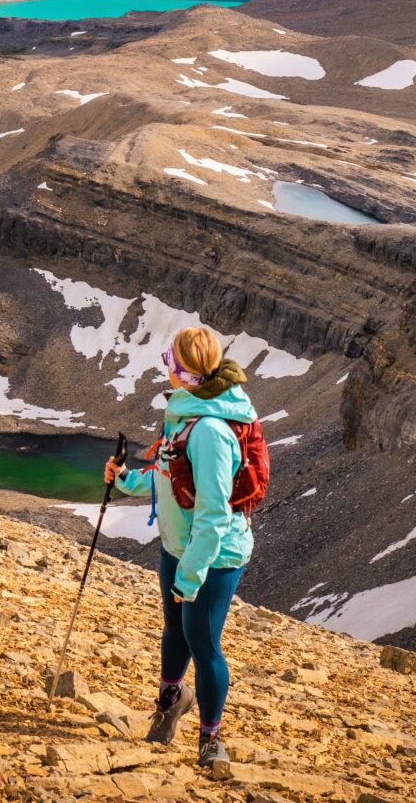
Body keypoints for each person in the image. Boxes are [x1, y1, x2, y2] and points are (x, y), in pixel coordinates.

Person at [104, 326, 258, 770]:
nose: (165, 367)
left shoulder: (209, 429)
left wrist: (189, 578)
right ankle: (172, 699)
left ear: (185, 369)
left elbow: (212, 514)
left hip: (213, 556)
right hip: (177, 545)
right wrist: (126, 480)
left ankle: (211, 739)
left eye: (170, 360)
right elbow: (168, 474)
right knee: (176, 632)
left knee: (204, 643)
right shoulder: (186, 410)